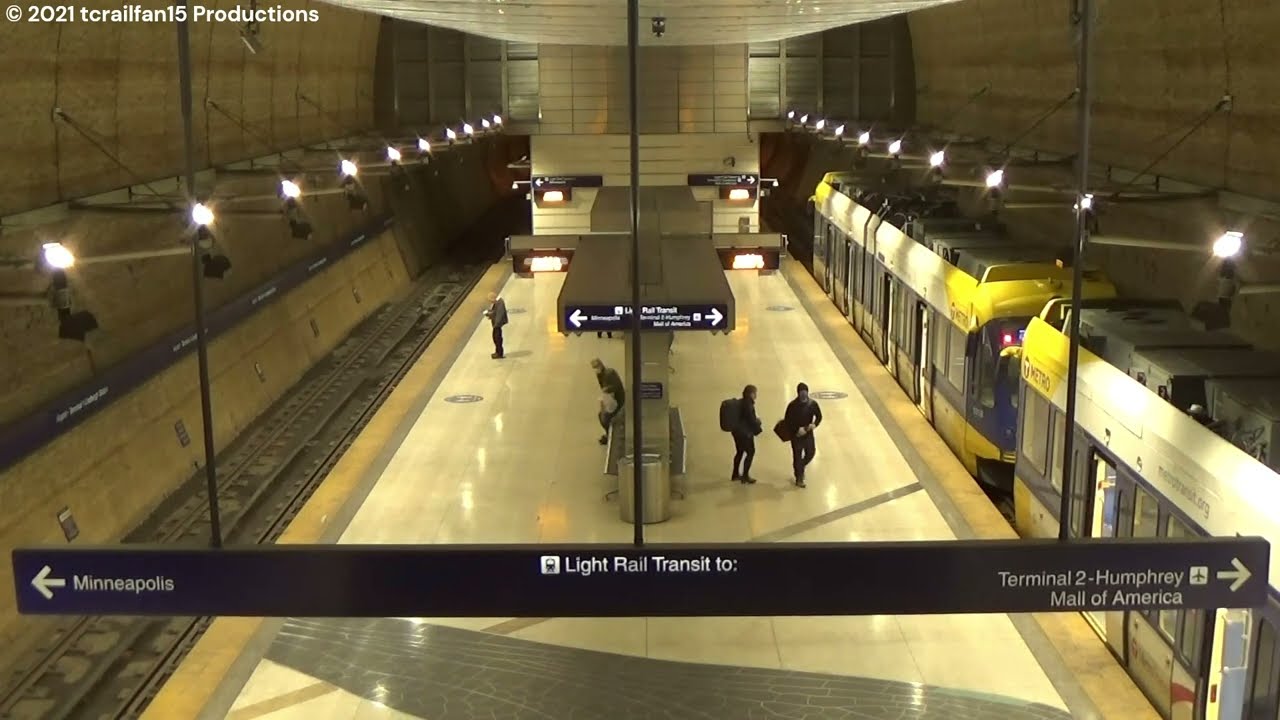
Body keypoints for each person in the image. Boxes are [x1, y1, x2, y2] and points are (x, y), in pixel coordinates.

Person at [782, 383, 823, 487]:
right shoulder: (792, 406)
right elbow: (787, 421)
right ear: (798, 393)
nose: (804, 395)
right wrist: (796, 429)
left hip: (808, 433)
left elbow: (819, 416)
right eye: (802, 393)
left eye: (805, 393)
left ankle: (800, 467)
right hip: (796, 435)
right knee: (797, 456)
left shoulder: (812, 404)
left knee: (811, 452)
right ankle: (798, 477)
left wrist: (814, 424)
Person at [732, 384, 763, 484]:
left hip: (736, 432)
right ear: (751, 394)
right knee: (750, 452)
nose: (756, 395)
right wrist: (758, 423)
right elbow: (751, 420)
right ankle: (745, 475)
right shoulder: (748, 405)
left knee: (740, 452)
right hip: (745, 434)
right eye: (755, 393)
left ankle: (735, 474)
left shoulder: (741, 402)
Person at [591, 358, 626, 445]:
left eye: (596, 367)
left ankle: (610, 435)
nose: (596, 370)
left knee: (605, 417)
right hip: (611, 399)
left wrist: (606, 390)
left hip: (618, 400)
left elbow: (614, 387)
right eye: (594, 368)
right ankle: (608, 434)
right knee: (601, 415)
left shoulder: (609, 374)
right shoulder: (601, 375)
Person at [483, 292, 508, 359]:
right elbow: (495, 312)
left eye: (491, 301)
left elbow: (499, 314)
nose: (491, 302)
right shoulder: (498, 302)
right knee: (496, 338)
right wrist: (490, 314)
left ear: (493, 298)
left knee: (497, 338)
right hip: (496, 325)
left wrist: (496, 324)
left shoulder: (499, 303)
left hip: (497, 325)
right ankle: (498, 352)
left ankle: (499, 353)